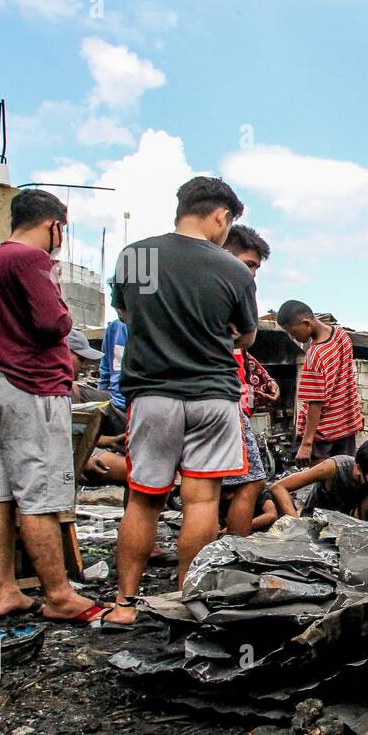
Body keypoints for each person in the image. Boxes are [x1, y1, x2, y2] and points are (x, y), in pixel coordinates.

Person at [107, 176, 258, 624]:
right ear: (221, 216)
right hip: (212, 398)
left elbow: (126, 315)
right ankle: (186, 600)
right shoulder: (233, 270)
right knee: (202, 502)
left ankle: (124, 604)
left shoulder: (136, 256)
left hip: (152, 395)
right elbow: (245, 338)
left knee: (143, 500)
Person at [0, 189, 98, 622]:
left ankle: (3, 590)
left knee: (1, 490)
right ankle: (59, 595)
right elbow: (52, 322)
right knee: (40, 494)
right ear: (54, 225)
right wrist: (64, 311)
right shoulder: (31, 260)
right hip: (32, 387)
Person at [218, 224, 273, 537]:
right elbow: (247, 336)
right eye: (250, 264)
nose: (252, 274)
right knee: (252, 480)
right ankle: (233, 553)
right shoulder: (233, 286)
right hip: (219, 401)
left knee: (202, 487)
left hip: (165, 397)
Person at [275, 300, 363, 465]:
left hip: (321, 433)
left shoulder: (315, 355)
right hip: (346, 426)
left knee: (324, 483)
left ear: (306, 323)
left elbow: (315, 401)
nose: (292, 337)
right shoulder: (341, 335)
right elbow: (348, 379)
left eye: (292, 332)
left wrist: (306, 443)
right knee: (344, 479)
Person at [270, 436, 368, 526]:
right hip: (317, 524)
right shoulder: (334, 468)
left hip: (348, 527)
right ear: (358, 468)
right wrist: (297, 526)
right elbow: (278, 487)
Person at [67, 328, 128, 486]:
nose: (84, 365)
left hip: (77, 447)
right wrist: (83, 458)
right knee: (136, 474)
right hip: (63, 454)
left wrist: (107, 441)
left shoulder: (74, 389)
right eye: (80, 359)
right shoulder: (43, 392)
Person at [97, 315, 128, 411]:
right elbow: (105, 372)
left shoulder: (145, 326)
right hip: (114, 401)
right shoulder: (114, 328)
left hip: (134, 403)